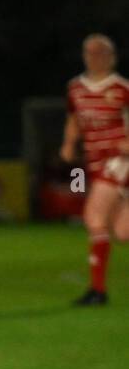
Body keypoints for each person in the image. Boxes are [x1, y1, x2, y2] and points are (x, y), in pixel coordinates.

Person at [60, 33, 129, 306]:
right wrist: (68, 143)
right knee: (122, 233)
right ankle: (97, 290)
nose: (95, 57)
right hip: (96, 161)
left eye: (101, 52)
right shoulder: (75, 87)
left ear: (112, 57)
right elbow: (74, 118)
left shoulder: (122, 88)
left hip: (118, 161)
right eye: (91, 52)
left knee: (93, 217)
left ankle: (97, 291)